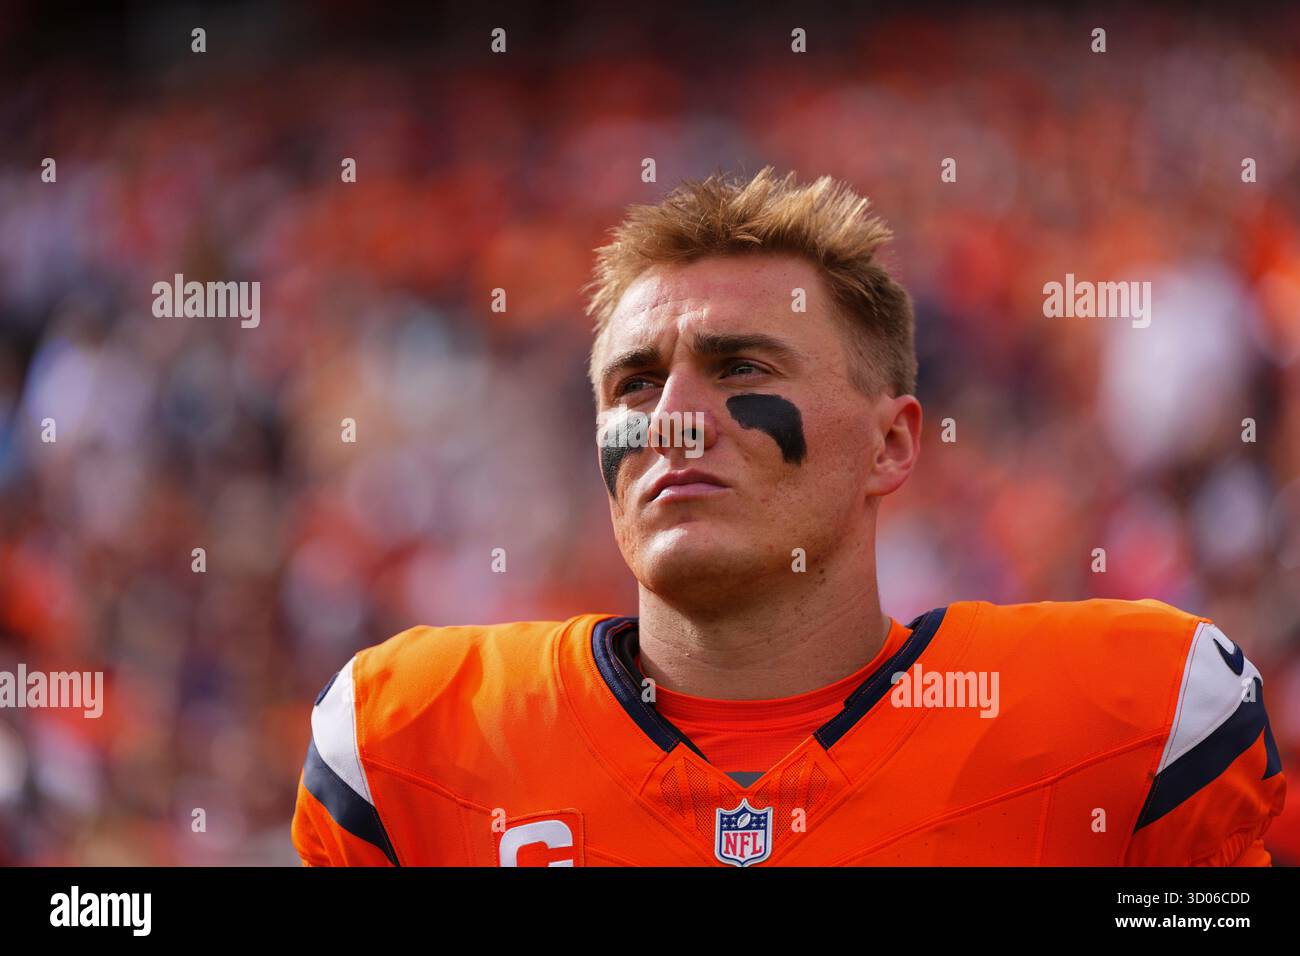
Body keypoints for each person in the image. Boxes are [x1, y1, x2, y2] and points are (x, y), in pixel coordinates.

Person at [292, 167, 1285, 866]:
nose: (674, 419)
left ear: (891, 444)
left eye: (742, 368)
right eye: (634, 383)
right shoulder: (414, 738)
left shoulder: (1128, 718)